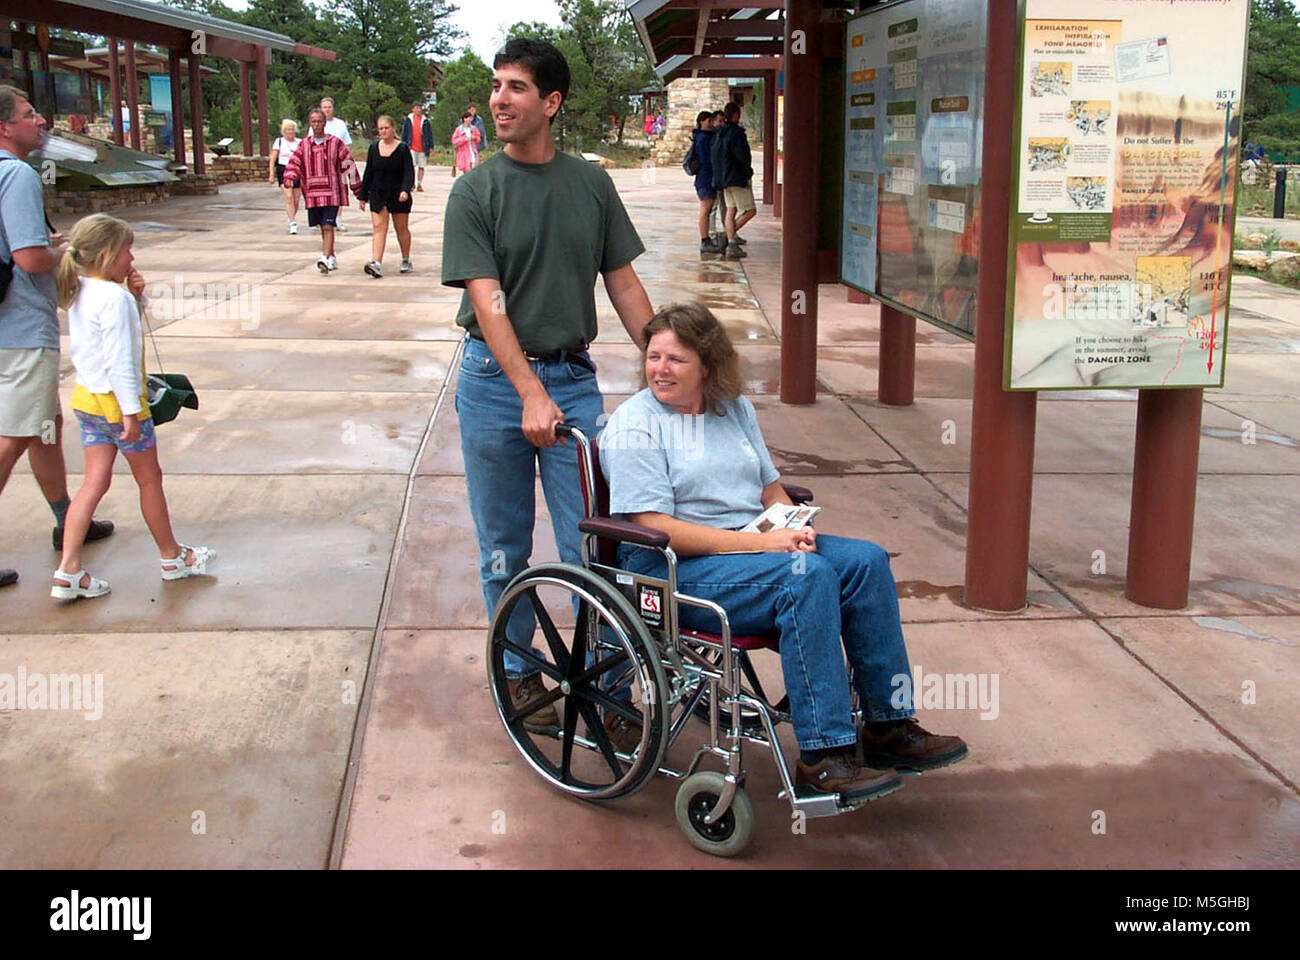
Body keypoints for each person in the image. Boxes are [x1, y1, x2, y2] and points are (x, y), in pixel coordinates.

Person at [600, 303, 969, 801]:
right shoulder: (635, 424)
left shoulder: (732, 408)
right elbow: (655, 526)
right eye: (654, 357)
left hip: (752, 547)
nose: (659, 369)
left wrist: (792, 524)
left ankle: (888, 726)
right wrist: (763, 544)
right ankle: (823, 756)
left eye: (676, 360)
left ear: (707, 364)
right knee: (805, 577)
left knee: (867, 562)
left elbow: (769, 488)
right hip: (673, 566)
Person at [441, 37, 654, 750]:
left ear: (551, 102)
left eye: (516, 88)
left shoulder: (591, 185)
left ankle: (610, 682)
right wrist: (529, 392)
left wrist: (669, 363)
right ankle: (520, 670)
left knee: (594, 544)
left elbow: (621, 281)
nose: (499, 99)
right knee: (504, 546)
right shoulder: (475, 190)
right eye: (496, 86)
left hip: (573, 380)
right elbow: (488, 301)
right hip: (494, 385)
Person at [51, 214, 214, 600]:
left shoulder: (80, 290)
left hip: (87, 402)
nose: (132, 257)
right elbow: (122, 359)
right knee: (149, 480)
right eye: (127, 249)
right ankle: (172, 557)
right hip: (121, 407)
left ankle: (68, 569)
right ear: (107, 253)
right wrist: (130, 413)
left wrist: (135, 298)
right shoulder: (116, 298)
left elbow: (104, 344)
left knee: (94, 482)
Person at [0, 84, 113, 589]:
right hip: (23, 326)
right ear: (5, 126)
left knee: (44, 423)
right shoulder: (17, 174)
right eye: (29, 115)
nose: (41, 121)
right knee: (16, 435)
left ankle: (67, 517)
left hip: (8, 327)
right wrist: (68, 257)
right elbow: (28, 258)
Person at [281, 108, 361, 274]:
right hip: (313, 193)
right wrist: (289, 177)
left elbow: (348, 164)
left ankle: (324, 257)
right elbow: (294, 163)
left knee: (328, 225)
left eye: (319, 121)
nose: (317, 125)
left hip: (332, 192)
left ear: (325, 123)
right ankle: (331, 256)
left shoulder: (336, 143)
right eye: (314, 122)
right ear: (310, 124)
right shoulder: (304, 145)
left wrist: (358, 189)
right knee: (322, 226)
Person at [358, 115, 414, 277]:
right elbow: (369, 172)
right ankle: (376, 262)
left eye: (386, 128)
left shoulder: (402, 149)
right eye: (381, 128)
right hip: (378, 193)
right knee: (379, 228)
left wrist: (405, 190)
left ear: (393, 128)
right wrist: (363, 195)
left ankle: (405, 258)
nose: (383, 131)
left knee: (401, 228)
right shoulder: (374, 148)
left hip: (398, 195)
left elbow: (409, 173)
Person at [711, 101, 756, 260]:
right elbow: (742, 157)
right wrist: (747, 173)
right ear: (736, 115)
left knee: (731, 210)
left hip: (723, 180)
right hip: (737, 178)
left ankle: (730, 240)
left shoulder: (718, 134)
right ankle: (727, 238)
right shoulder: (736, 134)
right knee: (750, 210)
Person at [691, 110, 721, 255]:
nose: (711, 124)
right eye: (709, 121)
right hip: (705, 178)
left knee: (707, 210)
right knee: (705, 209)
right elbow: (706, 160)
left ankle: (706, 238)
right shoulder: (702, 139)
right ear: (702, 121)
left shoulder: (704, 137)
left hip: (706, 178)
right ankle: (705, 239)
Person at [320, 98, 351, 231]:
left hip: (337, 163)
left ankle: (337, 218)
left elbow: (347, 144)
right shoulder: (317, 124)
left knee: (338, 190)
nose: (327, 109)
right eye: (324, 107)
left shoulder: (340, 124)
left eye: (329, 107)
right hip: (321, 164)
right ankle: (322, 218)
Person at [268, 118, 302, 233]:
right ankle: (293, 223)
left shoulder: (300, 142)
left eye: (292, 129)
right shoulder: (279, 141)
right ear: (284, 131)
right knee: (288, 197)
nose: (290, 132)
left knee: (296, 200)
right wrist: (271, 173)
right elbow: (273, 158)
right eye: (288, 130)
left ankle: (291, 217)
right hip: (284, 169)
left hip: (296, 170)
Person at [400, 102, 432, 192]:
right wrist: (403, 144)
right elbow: (404, 133)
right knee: (411, 166)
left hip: (423, 146)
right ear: (413, 109)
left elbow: (429, 134)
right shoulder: (408, 120)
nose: (418, 110)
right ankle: (411, 183)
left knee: (421, 166)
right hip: (411, 146)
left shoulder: (425, 121)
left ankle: (419, 184)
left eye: (420, 108)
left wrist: (431, 145)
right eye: (417, 108)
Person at [451, 110, 480, 177]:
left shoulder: (474, 128)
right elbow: (454, 141)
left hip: (473, 151)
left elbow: (478, 138)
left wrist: (474, 137)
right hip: (464, 152)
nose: (470, 119)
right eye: (468, 118)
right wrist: (463, 139)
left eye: (471, 118)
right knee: (466, 170)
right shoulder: (459, 129)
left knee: (474, 168)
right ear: (464, 119)